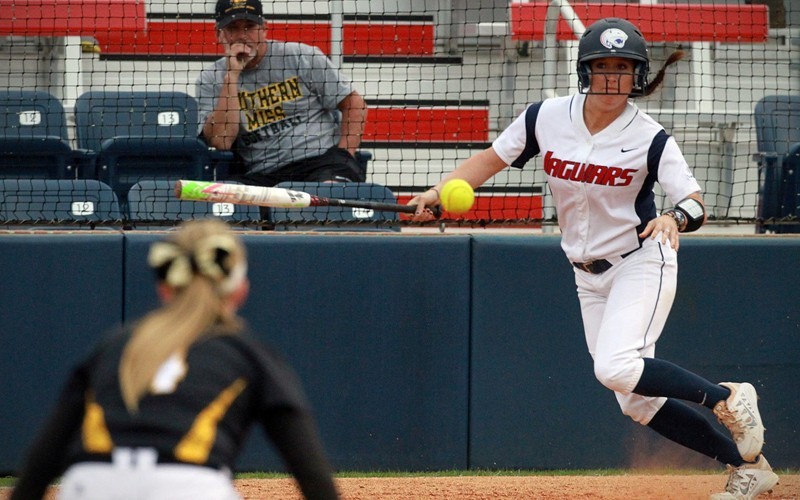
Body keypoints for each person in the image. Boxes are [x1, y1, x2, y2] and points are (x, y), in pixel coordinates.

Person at [410, 18, 778, 500]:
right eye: (602, 66)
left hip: (640, 261)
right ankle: (748, 468)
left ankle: (727, 397)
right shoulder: (545, 117)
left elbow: (694, 201)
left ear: (638, 75)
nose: (612, 77)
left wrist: (673, 217)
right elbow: (488, 160)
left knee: (616, 368)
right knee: (635, 402)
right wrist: (438, 192)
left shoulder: (650, 136)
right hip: (587, 273)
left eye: (623, 68)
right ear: (585, 71)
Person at [10, 219, 339, 500]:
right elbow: (310, 470)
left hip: (89, 485)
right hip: (190, 486)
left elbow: (43, 458)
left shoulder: (113, 345)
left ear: (165, 288)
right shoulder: (248, 353)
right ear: (240, 290)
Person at [197, 0, 368, 187]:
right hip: (264, 174)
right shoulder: (211, 78)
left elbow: (354, 104)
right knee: (226, 197)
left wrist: (344, 155)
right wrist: (231, 76)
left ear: (264, 28)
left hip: (320, 162)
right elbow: (221, 141)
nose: (242, 36)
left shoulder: (302, 57)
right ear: (219, 34)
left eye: (249, 27)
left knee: (329, 192)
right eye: (233, 28)